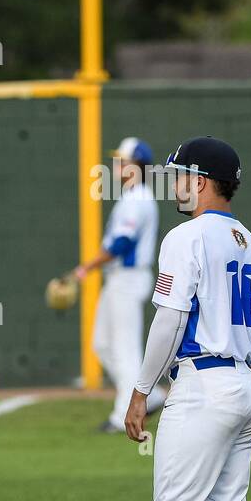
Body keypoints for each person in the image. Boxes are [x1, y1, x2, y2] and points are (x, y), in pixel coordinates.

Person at [100, 137, 251, 501]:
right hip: (245, 382)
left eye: (181, 175)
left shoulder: (186, 235)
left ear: (201, 180)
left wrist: (141, 389)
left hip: (203, 383)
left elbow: (170, 319)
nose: (175, 184)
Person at [69, 136, 166, 433]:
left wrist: (86, 267)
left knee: (125, 350)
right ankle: (152, 397)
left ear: (136, 165)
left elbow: (122, 243)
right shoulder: (131, 196)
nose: (118, 165)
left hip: (129, 278)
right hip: (118, 279)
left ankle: (122, 414)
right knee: (102, 345)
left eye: (123, 161)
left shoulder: (139, 199)